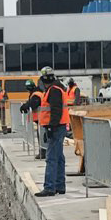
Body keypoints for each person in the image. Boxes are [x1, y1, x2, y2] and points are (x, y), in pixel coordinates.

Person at [35, 69, 68, 197]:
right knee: (59, 157)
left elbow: (55, 110)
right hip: (59, 126)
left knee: (51, 157)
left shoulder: (54, 90)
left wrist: (50, 127)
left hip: (56, 126)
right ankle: (60, 185)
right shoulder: (57, 88)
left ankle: (49, 187)